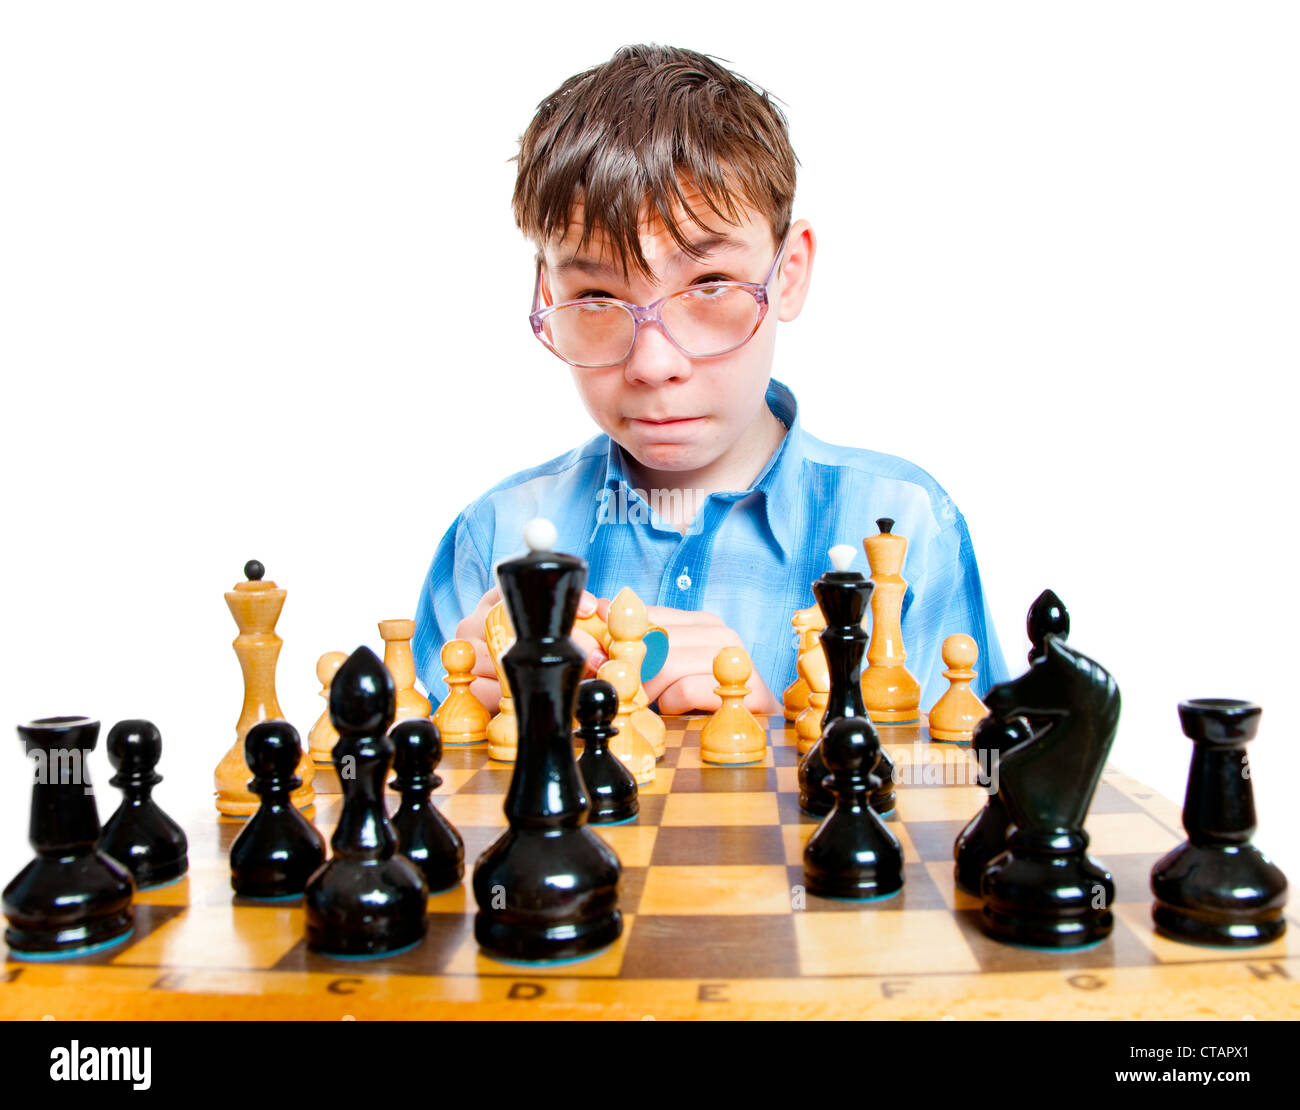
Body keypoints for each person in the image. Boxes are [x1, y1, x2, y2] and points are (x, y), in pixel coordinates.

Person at [413, 44, 1008, 715]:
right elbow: (407, 801)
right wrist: (462, 727)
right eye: (596, 298)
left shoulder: (907, 525)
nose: (653, 363)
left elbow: (969, 794)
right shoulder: (493, 537)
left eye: (710, 284)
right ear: (547, 292)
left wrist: (784, 740)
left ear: (788, 274)